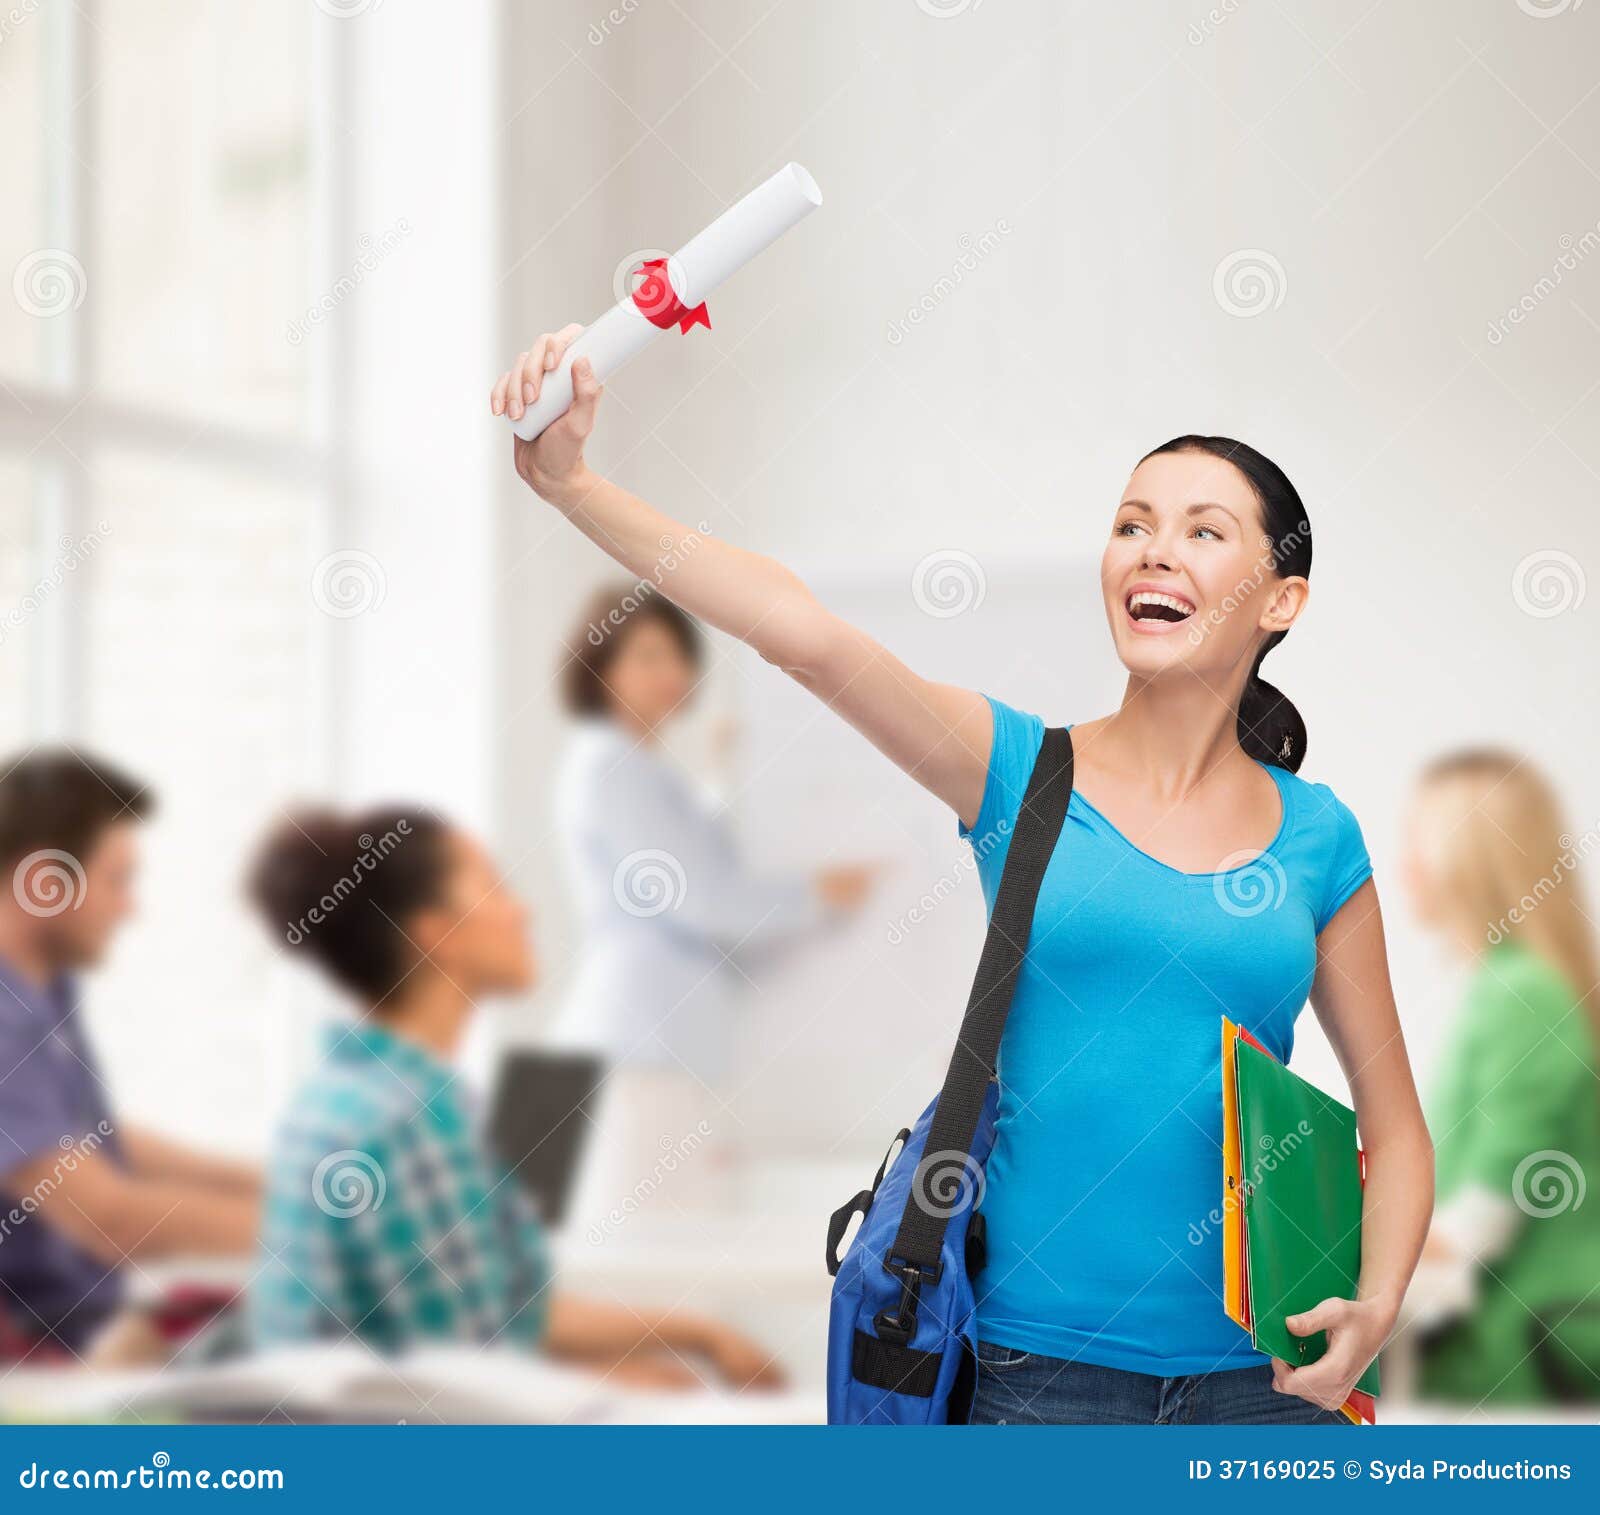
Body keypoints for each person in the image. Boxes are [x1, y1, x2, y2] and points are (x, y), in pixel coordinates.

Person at [489, 332, 1436, 1424]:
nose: (1150, 551)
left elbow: (1396, 1127)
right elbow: (802, 632)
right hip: (1035, 1386)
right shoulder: (1018, 773)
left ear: (1280, 601)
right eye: (1130, 524)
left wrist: (1376, 1303)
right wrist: (572, 486)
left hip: (1268, 1391)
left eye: (1201, 531)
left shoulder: (1321, 838)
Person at [246, 805, 782, 1390]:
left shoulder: (354, 1094)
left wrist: (698, 1335)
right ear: (435, 934)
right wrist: (650, 1385)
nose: (521, 909)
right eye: (494, 888)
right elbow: (469, 1388)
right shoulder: (412, 1122)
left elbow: (509, 1317)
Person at [551, 584, 873, 1221]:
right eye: (646, 655)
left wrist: (725, 774)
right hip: (636, 1053)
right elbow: (701, 897)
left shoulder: (636, 769)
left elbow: (694, 860)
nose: (670, 672)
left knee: (651, 1271)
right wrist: (819, 893)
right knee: (647, 1281)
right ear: (600, 665)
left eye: (678, 655)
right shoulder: (610, 766)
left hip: (643, 1051)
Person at [0, 751, 260, 1360]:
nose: (130, 909)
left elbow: (93, 1143)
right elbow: (108, 1218)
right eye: (117, 880)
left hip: (88, 1323)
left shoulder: (44, 989)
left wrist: (285, 1181)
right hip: (32, 1352)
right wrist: (323, 1228)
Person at [1401, 750, 1600, 1404]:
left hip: (1523, 1364)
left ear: (1470, 860)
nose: (1402, 868)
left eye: (1417, 842)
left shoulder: (1522, 992)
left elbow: (1489, 1203)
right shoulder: (1518, 984)